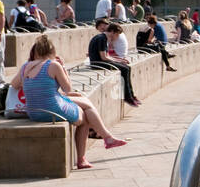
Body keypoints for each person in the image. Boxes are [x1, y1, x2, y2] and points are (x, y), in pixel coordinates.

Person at [11, 33, 126, 170]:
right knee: (84, 117)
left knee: (84, 102)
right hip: (53, 109)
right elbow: (67, 88)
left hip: (34, 112)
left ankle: (107, 137)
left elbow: (14, 84)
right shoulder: (53, 65)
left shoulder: (26, 67)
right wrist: (63, 67)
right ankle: (85, 156)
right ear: (52, 51)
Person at [89, 19, 140, 107]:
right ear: (112, 32)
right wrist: (119, 60)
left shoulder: (103, 37)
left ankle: (131, 95)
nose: (117, 37)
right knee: (125, 69)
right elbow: (104, 57)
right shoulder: (102, 39)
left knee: (127, 67)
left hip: (100, 61)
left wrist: (120, 60)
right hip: (97, 63)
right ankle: (128, 97)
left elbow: (107, 56)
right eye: (117, 34)